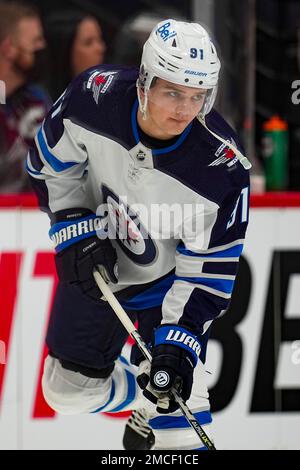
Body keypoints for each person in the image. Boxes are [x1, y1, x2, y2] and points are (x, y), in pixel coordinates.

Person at [28, 19, 251, 450]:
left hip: (163, 288)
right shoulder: (94, 96)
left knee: (179, 424)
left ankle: (162, 398)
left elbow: (207, 274)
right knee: (65, 391)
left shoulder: (222, 169)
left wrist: (178, 342)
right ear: (145, 81)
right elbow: (49, 164)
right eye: (172, 92)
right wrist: (73, 226)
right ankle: (138, 395)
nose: (184, 110)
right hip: (97, 264)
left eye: (197, 96)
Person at [0, 1, 51, 192]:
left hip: (34, 212)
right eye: (35, 41)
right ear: (8, 49)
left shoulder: (36, 98)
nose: (42, 47)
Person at [44, 10, 106, 101]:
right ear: (65, 51)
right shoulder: (42, 104)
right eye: (88, 43)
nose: (101, 49)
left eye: (99, 40)